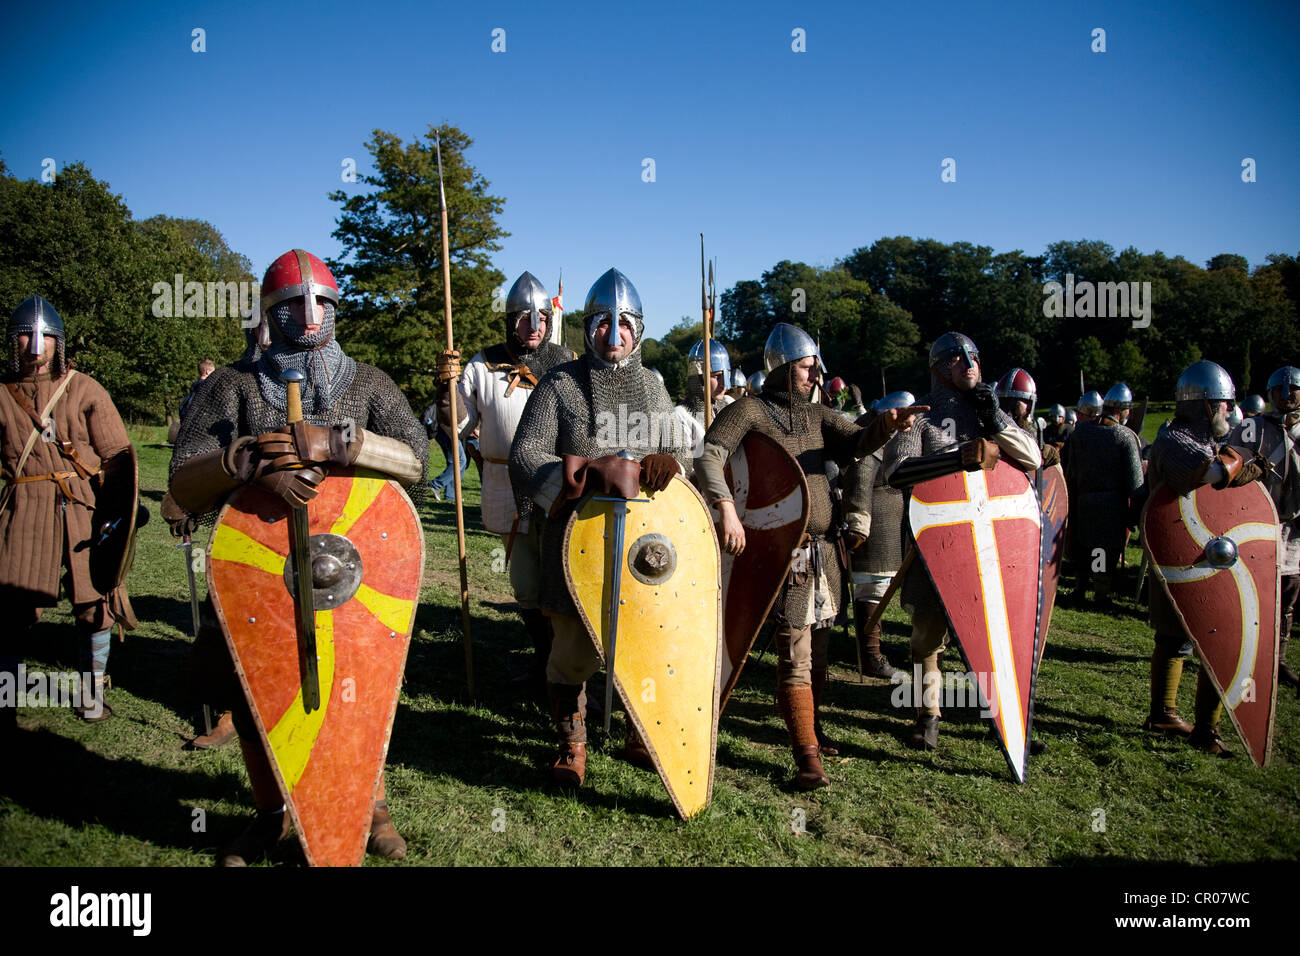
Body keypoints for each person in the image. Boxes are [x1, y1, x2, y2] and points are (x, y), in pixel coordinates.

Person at [166, 249, 427, 864]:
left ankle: (371, 806)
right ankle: (271, 814)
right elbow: (182, 480)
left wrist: (340, 442)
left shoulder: (366, 384)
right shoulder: (232, 386)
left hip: (352, 563)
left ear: (335, 310)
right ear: (269, 313)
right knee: (256, 683)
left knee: (360, 682)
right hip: (261, 565)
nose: (309, 316)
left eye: (320, 304)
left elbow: (417, 459)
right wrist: (244, 463)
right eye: (292, 305)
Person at [695, 323, 921, 789]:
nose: (812, 373)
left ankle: (813, 731)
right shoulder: (750, 411)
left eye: (814, 366)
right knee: (795, 656)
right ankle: (807, 757)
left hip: (825, 554)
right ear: (781, 367)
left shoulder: (818, 416)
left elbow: (858, 442)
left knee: (818, 653)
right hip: (786, 554)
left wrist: (886, 425)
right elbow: (709, 454)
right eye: (804, 365)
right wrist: (725, 509)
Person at [509, 268, 689, 788]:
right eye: (602, 324)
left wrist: (668, 460)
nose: (614, 335)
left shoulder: (652, 388)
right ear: (586, 329)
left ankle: (640, 732)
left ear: (639, 330)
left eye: (624, 324)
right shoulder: (560, 384)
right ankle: (572, 744)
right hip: (574, 536)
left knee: (642, 639)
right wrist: (583, 475)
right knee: (571, 645)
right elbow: (525, 457)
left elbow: (679, 446)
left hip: (641, 541)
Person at [884, 332, 1041, 751]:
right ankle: (927, 715)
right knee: (927, 636)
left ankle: (1002, 718)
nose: (969, 362)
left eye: (974, 354)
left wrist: (992, 415)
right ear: (939, 367)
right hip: (937, 543)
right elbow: (896, 471)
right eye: (957, 356)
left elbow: (1031, 459)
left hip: (989, 545)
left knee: (991, 632)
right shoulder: (923, 416)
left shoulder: (991, 414)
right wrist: (956, 458)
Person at [436, 271, 575, 691]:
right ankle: (543, 658)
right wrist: (448, 389)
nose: (534, 328)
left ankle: (561, 668)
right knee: (525, 584)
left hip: (559, 486)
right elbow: (459, 424)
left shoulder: (567, 362)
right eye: (524, 319)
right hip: (504, 484)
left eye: (542, 320)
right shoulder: (482, 364)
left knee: (561, 579)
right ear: (510, 320)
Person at [1, 295, 134, 732]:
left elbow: (117, 455)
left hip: (84, 509)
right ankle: (6, 696)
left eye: (42, 338)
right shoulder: (2, 394)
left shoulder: (84, 388)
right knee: (13, 604)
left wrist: (122, 511)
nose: (33, 346)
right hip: (23, 508)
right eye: (24, 334)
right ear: (11, 341)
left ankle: (91, 695)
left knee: (95, 604)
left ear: (58, 342)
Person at [1142, 360, 1264, 756]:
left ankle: (1204, 726)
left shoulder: (1204, 441)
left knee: (1212, 636)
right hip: (1179, 551)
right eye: (1224, 405)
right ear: (1208, 406)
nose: (1229, 412)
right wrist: (1242, 464)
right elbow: (1208, 475)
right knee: (1177, 638)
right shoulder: (1174, 440)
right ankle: (1169, 715)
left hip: (1211, 552)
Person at [1230, 365, 1300, 691]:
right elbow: (1232, 469)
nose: (1287, 396)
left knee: (1287, 594)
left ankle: (1278, 660)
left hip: (1294, 528)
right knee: (1253, 594)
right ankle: (1247, 655)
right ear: (1271, 393)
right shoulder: (1251, 427)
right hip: (1256, 523)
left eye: (1294, 390)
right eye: (1280, 391)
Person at [841, 391, 915, 680]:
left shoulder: (896, 440)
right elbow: (859, 483)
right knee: (872, 589)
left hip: (894, 523)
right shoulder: (874, 443)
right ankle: (870, 655)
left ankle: (874, 648)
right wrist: (859, 524)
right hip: (877, 524)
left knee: (882, 587)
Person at [1061, 382, 1143, 608]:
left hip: (1082, 499)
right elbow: (1136, 482)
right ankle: (1100, 593)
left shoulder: (1081, 432)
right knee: (1102, 551)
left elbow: (1070, 471)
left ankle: (1079, 587)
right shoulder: (1124, 436)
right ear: (1122, 409)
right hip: (1110, 505)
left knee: (1083, 547)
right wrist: (1134, 513)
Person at [672, 337, 734, 477]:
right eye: (717, 376)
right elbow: (683, 468)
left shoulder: (730, 404)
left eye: (727, 374)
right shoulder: (681, 416)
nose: (724, 384)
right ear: (699, 377)